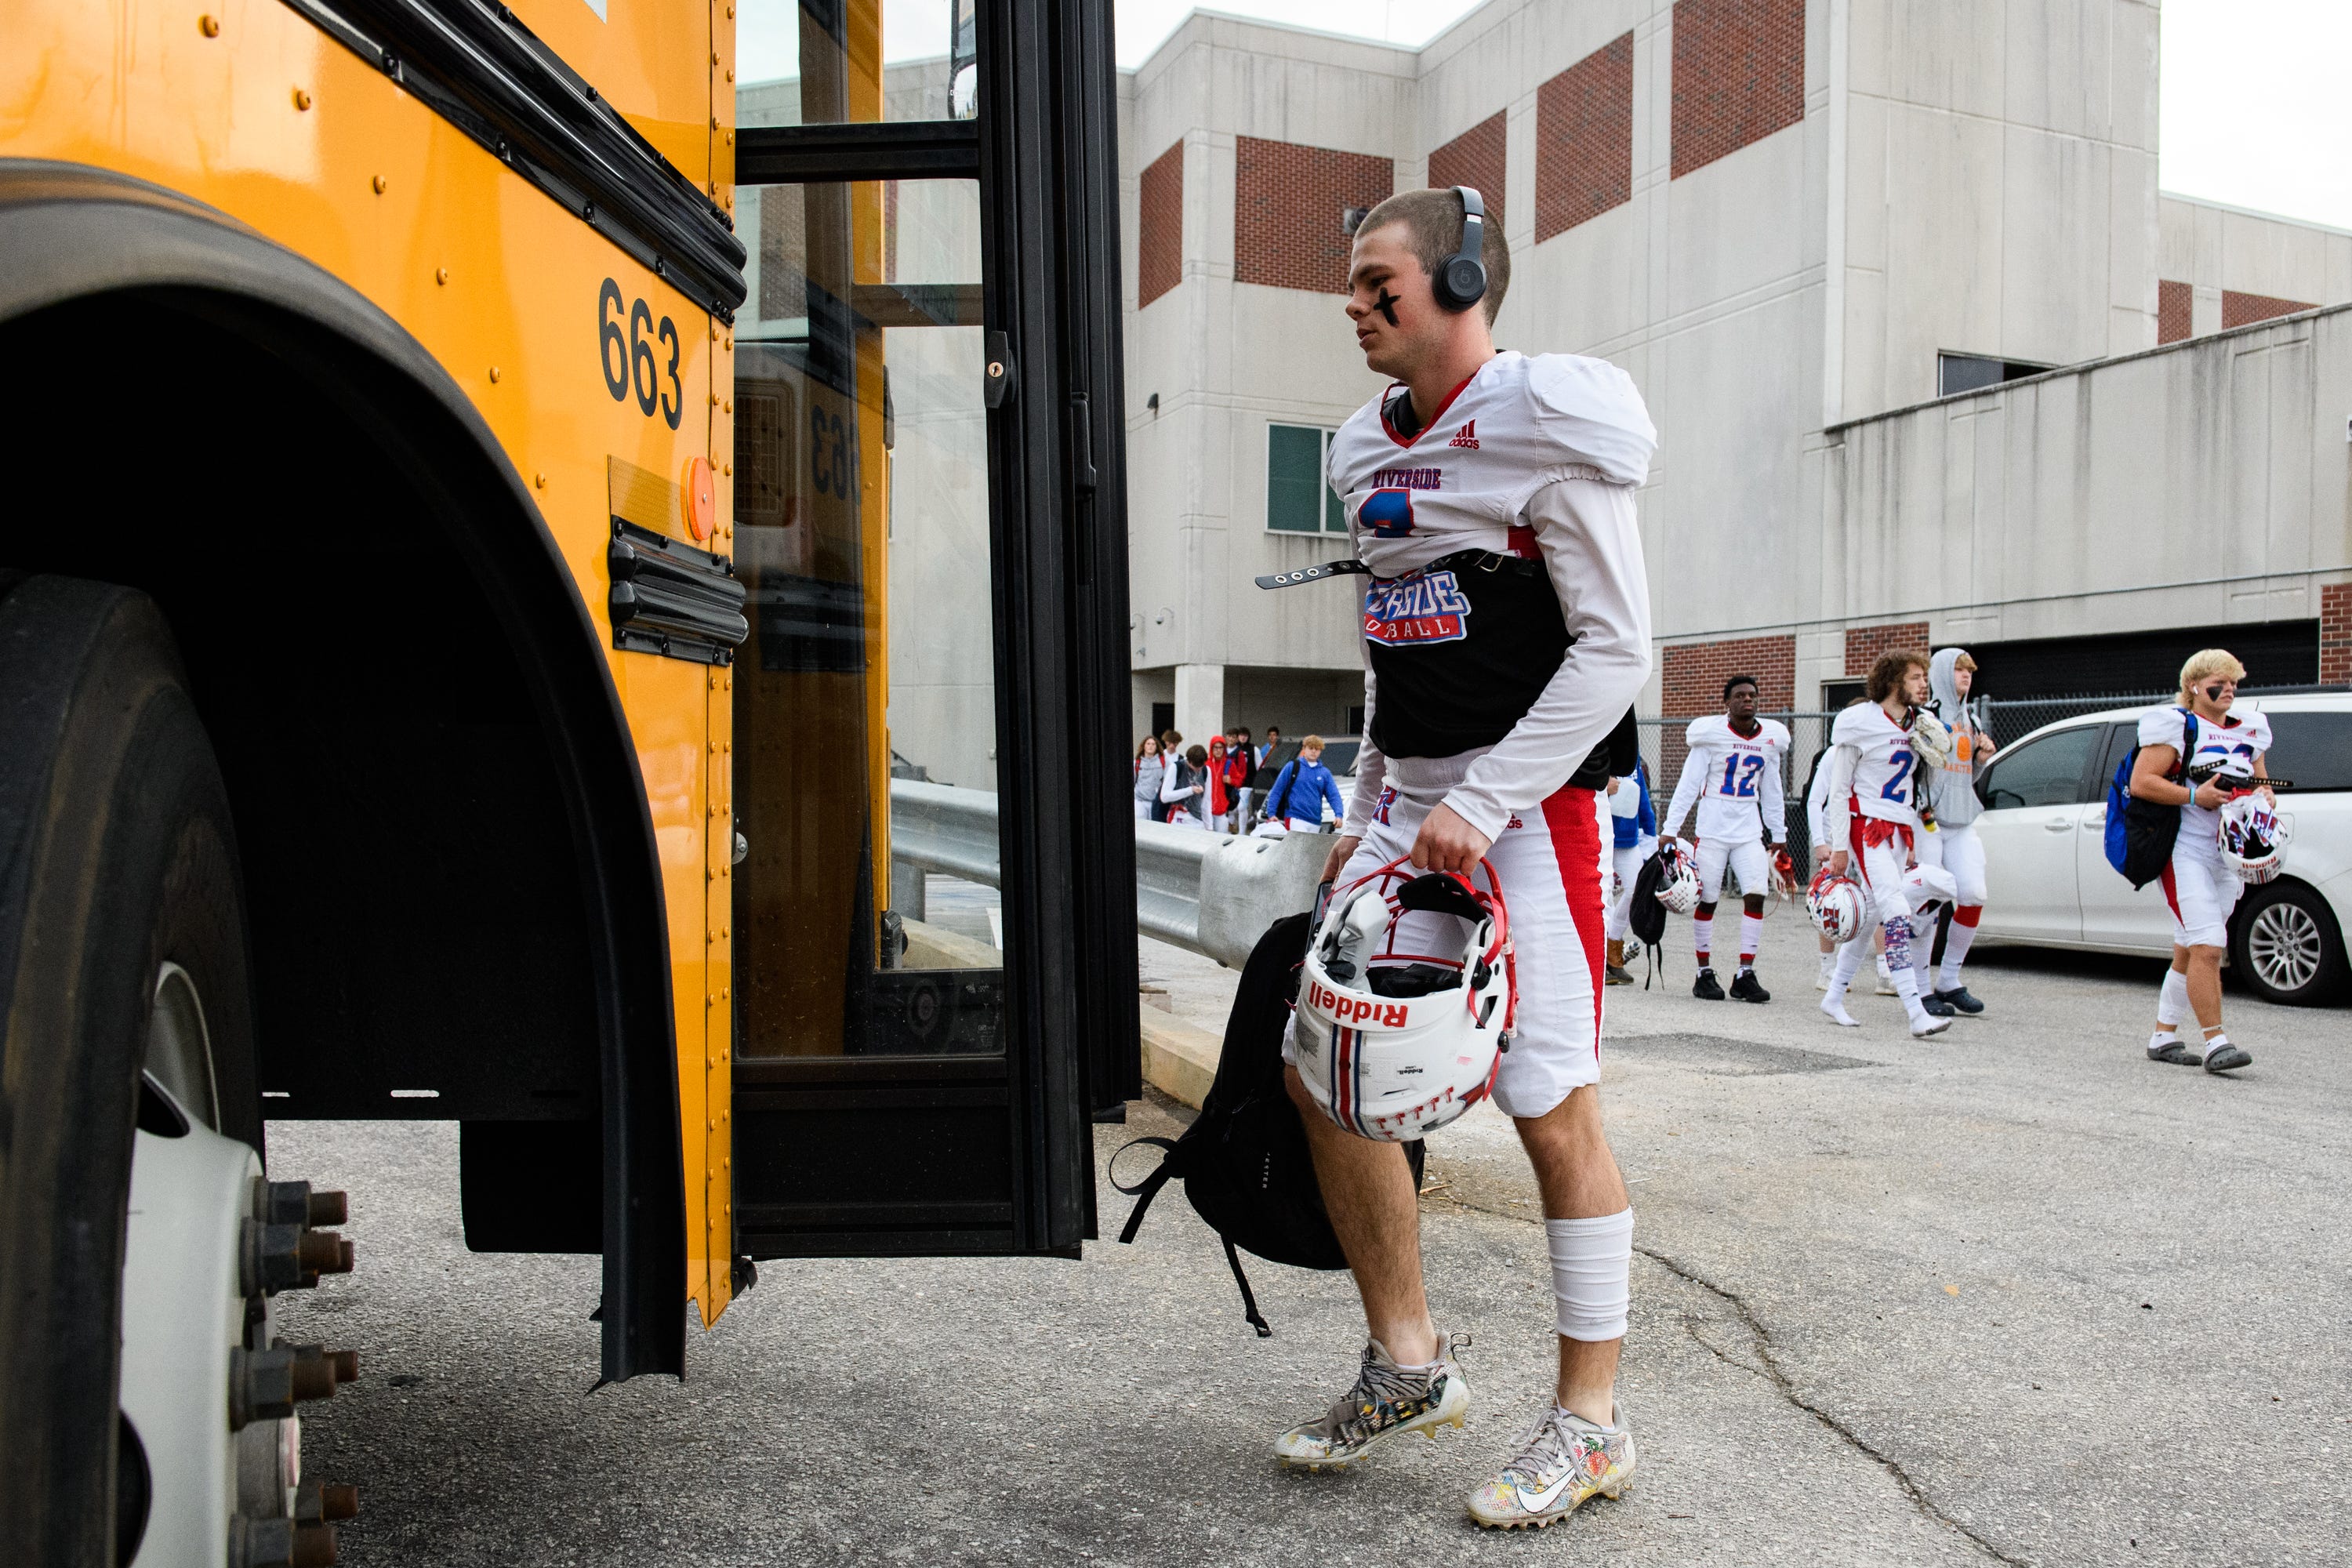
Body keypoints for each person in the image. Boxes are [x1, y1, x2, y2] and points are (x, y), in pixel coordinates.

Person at [1268, 184, 1654, 1530]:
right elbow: (1397, 648)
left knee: (1551, 1107)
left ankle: (1592, 1426)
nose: (1355, 303)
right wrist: (1365, 807)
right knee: (1326, 1069)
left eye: (1378, 280)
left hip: (1529, 814)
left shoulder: (1543, 419)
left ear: (1463, 279)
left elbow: (1618, 648)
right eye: (1352, 281)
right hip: (1412, 802)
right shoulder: (1361, 447)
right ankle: (1409, 1362)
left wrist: (1484, 804)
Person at [2131, 649, 2268, 1073]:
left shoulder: (2251, 728)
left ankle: (2163, 1035)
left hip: (2228, 853)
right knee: (2208, 945)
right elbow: (2142, 782)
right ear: (2193, 686)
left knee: (2190, 949)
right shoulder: (2177, 724)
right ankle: (2216, 1042)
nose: (2229, 690)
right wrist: (2195, 795)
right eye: (2219, 683)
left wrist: (2263, 797)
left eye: (2234, 683)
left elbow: (2261, 781)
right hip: (2184, 850)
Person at [1820, 650, 1950, 1037]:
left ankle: (1834, 997)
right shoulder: (1860, 721)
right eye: (1915, 677)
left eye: (1924, 677)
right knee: (1896, 908)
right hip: (1868, 826)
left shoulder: (1919, 723)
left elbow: (1916, 785)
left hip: (1899, 827)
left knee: (1871, 917)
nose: (1923, 684)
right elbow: (1839, 790)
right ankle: (1916, 1012)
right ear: (1894, 682)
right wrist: (1839, 845)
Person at [1659, 676, 1790, 1002]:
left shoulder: (1769, 738)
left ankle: (1745, 973)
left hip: (1748, 830)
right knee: (1708, 899)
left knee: (1756, 894)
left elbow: (1772, 789)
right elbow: (1689, 783)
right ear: (1727, 703)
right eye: (1740, 695)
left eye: (1752, 695)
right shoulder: (1712, 735)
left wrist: (1779, 834)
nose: (1748, 700)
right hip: (1713, 830)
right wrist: (1670, 828)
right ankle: (1703, 972)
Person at [1916, 649, 1995, 1014]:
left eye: (1970, 671)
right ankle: (1919, 987)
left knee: (1973, 894)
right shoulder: (1925, 716)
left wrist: (1981, 761)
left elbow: (1966, 776)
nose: (1966, 676)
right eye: (1959, 670)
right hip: (1928, 821)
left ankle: (1949, 979)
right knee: (1928, 901)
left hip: (1962, 820)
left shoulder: (1972, 720)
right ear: (1943, 674)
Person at [1602, 758, 1656, 985]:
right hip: (1601, 834)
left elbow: (1642, 796)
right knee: (1602, 897)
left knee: (1637, 892)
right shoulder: (1597, 750)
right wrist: (1602, 785)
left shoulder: (1632, 756)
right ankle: (1599, 957)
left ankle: (1613, 950)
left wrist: (1651, 833)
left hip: (1628, 838)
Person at [1258, 735, 1347, 831]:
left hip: (1315, 821)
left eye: (1317, 749)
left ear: (1320, 751)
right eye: (1311, 748)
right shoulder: (1292, 767)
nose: (1314, 751)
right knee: (1298, 841)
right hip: (1295, 817)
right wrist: (1271, 813)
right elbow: (1277, 790)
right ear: (1304, 749)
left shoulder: (1325, 773)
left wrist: (1339, 815)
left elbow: (1334, 795)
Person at [1160, 742, 1210, 827]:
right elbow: (1164, 797)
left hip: (1197, 820)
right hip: (1179, 817)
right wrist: (1190, 790)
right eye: (1195, 767)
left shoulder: (1206, 770)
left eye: (1201, 766)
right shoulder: (1176, 767)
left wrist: (1209, 826)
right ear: (1189, 761)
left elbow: (1207, 801)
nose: (1198, 769)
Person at [1227, 727, 1258, 827]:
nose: (1243, 738)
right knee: (1231, 808)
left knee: (1241, 807)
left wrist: (1255, 781)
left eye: (1245, 736)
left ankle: (1242, 831)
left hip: (1246, 783)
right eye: (1241, 735)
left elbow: (1259, 766)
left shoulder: (1253, 749)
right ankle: (1231, 826)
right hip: (1230, 783)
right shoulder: (1227, 749)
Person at [1204, 735, 1235, 832]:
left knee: (1221, 837)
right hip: (1206, 809)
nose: (1218, 750)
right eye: (1216, 747)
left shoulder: (1229, 764)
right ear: (1211, 748)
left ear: (1224, 749)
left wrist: (1231, 780)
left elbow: (1239, 781)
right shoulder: (1205, 764)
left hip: (1221, 810)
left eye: (1221, 748)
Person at [1133, 735, 1166, 822]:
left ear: (1156, 747)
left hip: (1155, 802)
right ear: (1144, 746)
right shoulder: (1137, 763)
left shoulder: (1163, 762)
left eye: (1153, 744)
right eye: (1148, 744)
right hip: (1140, 800)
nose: (1150, 746)